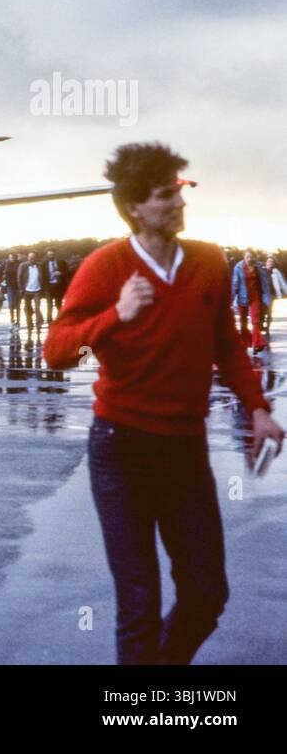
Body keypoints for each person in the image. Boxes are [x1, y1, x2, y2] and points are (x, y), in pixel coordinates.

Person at [44, 142, 282, 665]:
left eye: (180, 190)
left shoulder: (207, 262)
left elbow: (225, 342)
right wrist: (115, 317)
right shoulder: (106, 268)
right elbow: (59, 352)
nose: (178, 202)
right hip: (121, 449)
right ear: (134, 207)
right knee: (139, 604)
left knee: (206, 593)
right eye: (163, 195)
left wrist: (259, 408)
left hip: (185, 451)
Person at [231, 250, 271, 353]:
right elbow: (235, 284)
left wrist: (267, 299)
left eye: (251, 257)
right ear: (244, 257)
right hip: (242, 297)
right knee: (243, 322)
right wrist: (231, 299)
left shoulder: (258, 266)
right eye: (247, 257)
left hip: (255, 297)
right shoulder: (238, 267)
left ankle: (258, 343)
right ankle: (246, 342)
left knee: (255, 321)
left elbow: (265, 282)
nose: (250, 259)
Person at [16, 251, 43, 331]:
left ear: (36, 258)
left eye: (34, 257)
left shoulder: (39, 265)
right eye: (30, 257)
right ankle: (29, 323)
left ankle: (39, 324)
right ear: (28, 258)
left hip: (37, 290)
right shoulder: (23, 265)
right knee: (27, 308)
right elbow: (19, 278)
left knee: (37, 308)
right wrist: (21, 289)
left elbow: (42, 277)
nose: (32, 259)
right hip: (26, 290)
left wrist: (42, 287)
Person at [43, 249, 69, 323]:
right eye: (49, 255)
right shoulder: (44, 264)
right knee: (49, 303)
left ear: (54, 254)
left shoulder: (61, 262)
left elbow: (67, 272)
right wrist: (45, 285)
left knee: (58, 303)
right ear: (47, 255)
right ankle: (49, 319)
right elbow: (42, 275)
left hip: (59, 285)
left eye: (52, 254)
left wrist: (61, 273)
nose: (50, 256)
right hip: (49, 286)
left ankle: (60, 318)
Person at [266, 256, 287, 340]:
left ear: (273, 264)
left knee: (269, 312)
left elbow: (282, 283)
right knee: (263, 312)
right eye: (269, 261)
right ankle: (262, 325)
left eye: (272, 262)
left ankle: (267, 328)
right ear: (266, 262)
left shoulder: (276, 272)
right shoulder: (262, 270)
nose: (270, 263)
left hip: (272, 295)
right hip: (263, 294)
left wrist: (285, 292)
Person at [3, 253, 21, 327]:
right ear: (8, 257)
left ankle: (18, 320)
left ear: (16, 257)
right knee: (11, 304)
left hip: (17, 286)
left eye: (13, 257)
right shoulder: (5, 264)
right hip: (10, 286)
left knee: (17, 304)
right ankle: (12, 319)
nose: (12, 258)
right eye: (11, 257)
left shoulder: (19, 264)